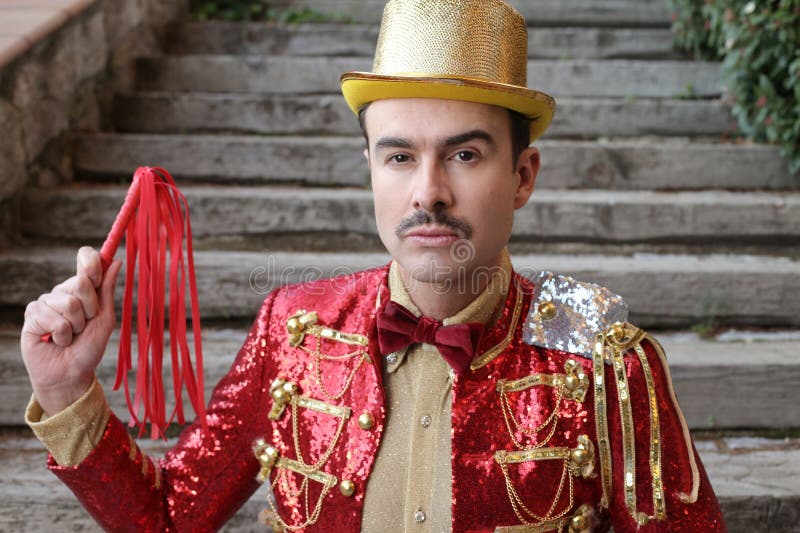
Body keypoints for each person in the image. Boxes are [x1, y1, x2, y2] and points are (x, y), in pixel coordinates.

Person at [20, 0, 727, 531]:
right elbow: (170, 518)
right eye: (399, 156)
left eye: (465, 154)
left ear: (523, 175)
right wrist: (67, 390)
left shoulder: (601, 356)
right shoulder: (293, 329)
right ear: (370, 169)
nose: (428, 191)